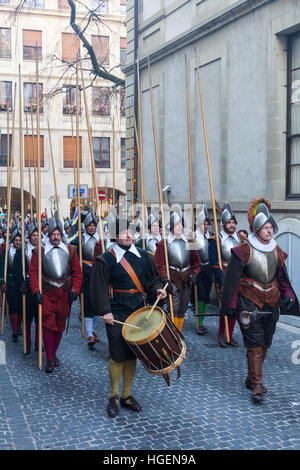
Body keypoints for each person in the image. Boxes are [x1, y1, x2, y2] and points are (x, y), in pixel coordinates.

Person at [220, 198, 299, 404]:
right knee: (254, 343)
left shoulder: (276, 250)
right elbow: (232, 280)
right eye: (266, 227)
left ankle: (251, 377)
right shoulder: (244, 250)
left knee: (265, 343)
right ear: (257, 229)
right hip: (249, 301)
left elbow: (282, 278)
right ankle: (257, 384)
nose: (270, 230)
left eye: (271, 227)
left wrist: (288, 296)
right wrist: (231, 305)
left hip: (271, 302)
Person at [90, 217, 166, 418]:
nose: (128, 234)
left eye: (130, 231)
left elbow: (152, 281)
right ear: (115, 236)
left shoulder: (144, 256)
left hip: (138, 310)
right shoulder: (106, 259)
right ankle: (114, 395)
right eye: (123, 232)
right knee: (117, 353)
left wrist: (158, 290)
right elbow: (97, 287)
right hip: (115, 312)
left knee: (133, 352)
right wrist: (105, 311)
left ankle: (126, 395)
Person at [29, 214, 82, 373]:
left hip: (64, 294)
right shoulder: (40, 251)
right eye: (53, 234)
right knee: (48, 324)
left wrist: (75, 290)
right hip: (48, 293)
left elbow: (77, 273)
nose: (56, 237)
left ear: (62, 235)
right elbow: (33, 273)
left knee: (59, 325)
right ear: (49, 235)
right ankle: (50, 358)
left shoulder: (71, 250)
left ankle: (54, 352)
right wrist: (36, 291)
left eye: (58, 234)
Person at [155, 212, 201, 332]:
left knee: (183, 307)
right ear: (171, 227)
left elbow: (196, 262)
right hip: (172, 277)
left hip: (186, 278)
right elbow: (160, 263)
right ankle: (172, 334)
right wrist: (165, 277)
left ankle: (178, 332)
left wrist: (195, 273)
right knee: (174, 307)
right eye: (176, 225)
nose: (179, 227)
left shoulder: (190, 242)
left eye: (181, 224)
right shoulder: (164, 244)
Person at [209, 202, 240, 347]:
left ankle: (230, 335)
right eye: (229, 222)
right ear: (224, 224)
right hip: (224, 275)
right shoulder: (216, 240)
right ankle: (222, 334)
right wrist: (221, 278)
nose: (232, 225)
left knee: (235, 307)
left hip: (238, 276)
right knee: (225, 306)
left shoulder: (240, 240)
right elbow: (214, 261)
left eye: (233, 222)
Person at [71, 211, 100, 348]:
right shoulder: (79, 240)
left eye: (94, 225)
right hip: (85, 273)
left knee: (97, 304)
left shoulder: (101, 240)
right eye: (89, 225)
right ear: (85, 226)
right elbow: (72, 256)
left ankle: (93, 330)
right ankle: (89, 333)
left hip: (98, 273)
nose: (92, 227)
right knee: (87, 303)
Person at [194, 205, 213, 335]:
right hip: (198, 269)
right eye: (203, 223)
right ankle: (198, 323)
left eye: (207, 224)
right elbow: (190, 256)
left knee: (206, 296)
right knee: (199, 296)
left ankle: (202, 321)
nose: (205, 226)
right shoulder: (193, 237)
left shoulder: (211, 236)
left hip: (209, 269)